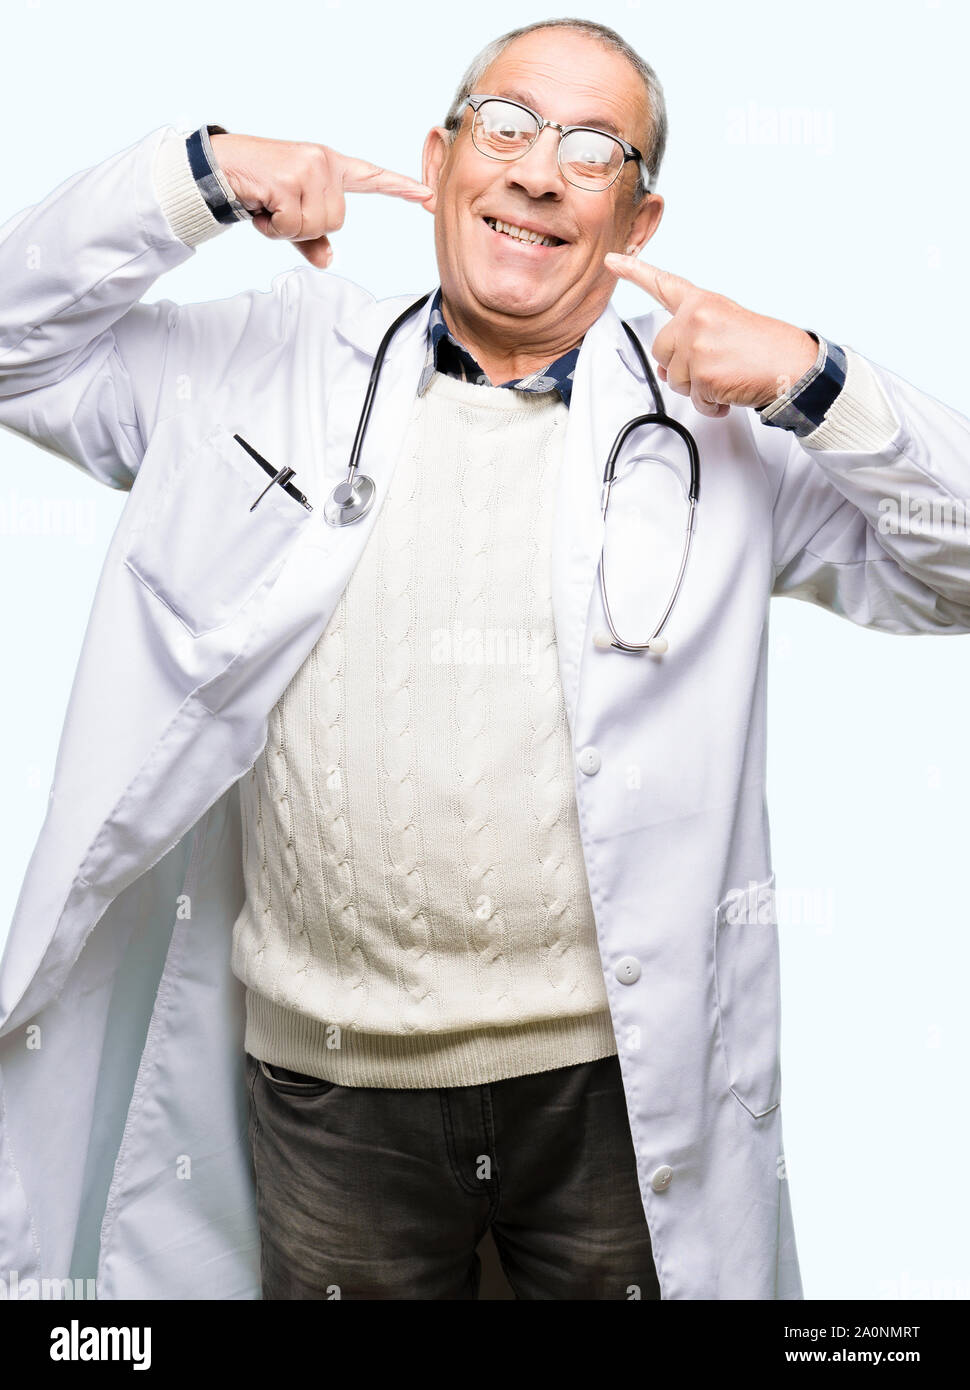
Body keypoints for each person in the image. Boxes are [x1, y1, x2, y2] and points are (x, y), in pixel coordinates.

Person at [1, 16, 969, 1301]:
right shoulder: (260, 362)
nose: (534, 170)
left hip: (615, 1088)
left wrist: (813, 377)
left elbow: (952, 565)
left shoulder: (716, 428)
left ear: (638, 220)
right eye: (504, 126)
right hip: (332, 1081)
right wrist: (200, 174)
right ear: (438, 157)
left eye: (590, 148)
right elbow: (17, 345)